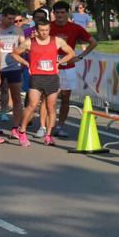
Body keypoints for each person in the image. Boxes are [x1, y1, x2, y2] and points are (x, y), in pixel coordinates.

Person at [21, 11, 76, 147]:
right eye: (41, 30)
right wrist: (27, 63)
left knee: (51, 107)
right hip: (36, 77)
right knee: (32, 105)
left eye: (46, 30)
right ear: (37, 30)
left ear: (49, 30)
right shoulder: (30, 42)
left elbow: (71, 53)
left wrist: (59, 62)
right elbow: (15, 53)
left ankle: (48, 135)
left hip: (52, 77)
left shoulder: (57, 41)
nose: (44, 33)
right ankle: (21, 130)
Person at [48, 0, 97, 137]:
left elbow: (93, 43)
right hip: (50, 67)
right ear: (54, 13)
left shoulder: (75, 28)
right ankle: (47, 126)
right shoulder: (48, 27)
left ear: (67, 13)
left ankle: (60, 126)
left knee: (65, 97)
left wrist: (80, 57)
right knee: (50, 98)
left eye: (62, 12)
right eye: (57, 12)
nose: (60, 15)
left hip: (68, 67)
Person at [0, 9, 26, 140]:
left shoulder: (17, 30)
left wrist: (21, 55)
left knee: (16, 98)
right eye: (9, 18)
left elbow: (24, 45)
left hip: (13, 67)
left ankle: (15, 127)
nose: (11, 21)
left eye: (13, 19)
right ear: (1, 17)